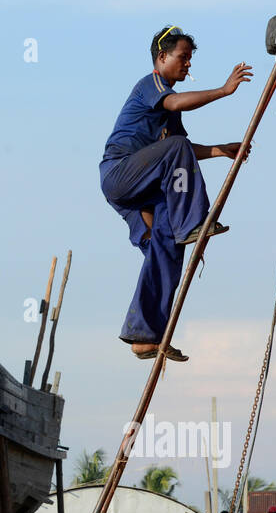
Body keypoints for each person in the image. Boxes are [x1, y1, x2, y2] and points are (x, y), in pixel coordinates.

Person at [100, 26, 253, 362]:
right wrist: (225, 91)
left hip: (144, 188)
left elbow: (181, 149)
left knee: (164, 247)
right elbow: (176, 145)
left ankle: (145, 335)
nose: (187, 65)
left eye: (189, 60)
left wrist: (220, 150)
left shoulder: (172, 109)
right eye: (183, 58)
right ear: (162, 58)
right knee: (176, 152)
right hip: (120, 174)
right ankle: (192, 222)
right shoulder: (151, 84)